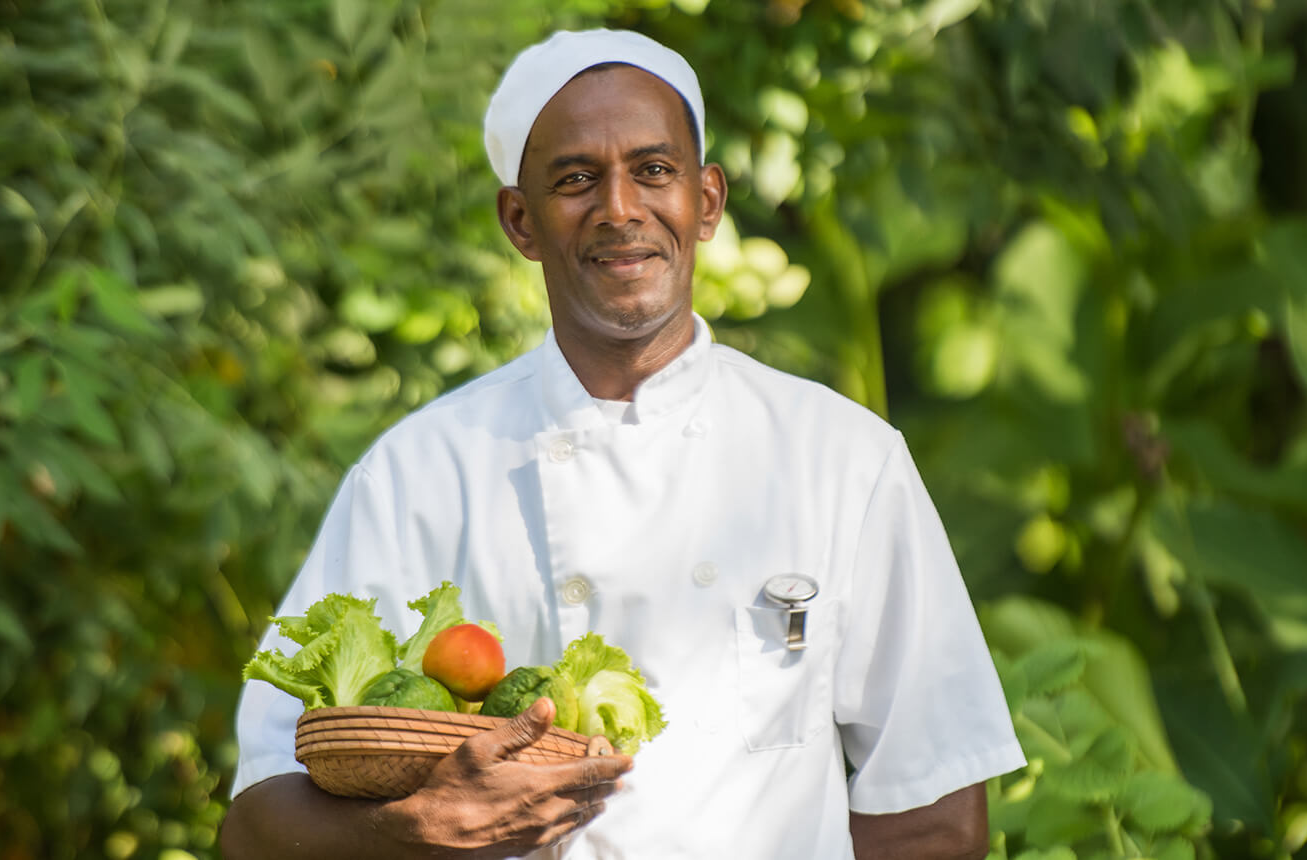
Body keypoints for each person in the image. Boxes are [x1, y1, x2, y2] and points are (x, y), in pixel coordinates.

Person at [219, 28, 1023, 860]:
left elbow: (931, 813)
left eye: (653, 170)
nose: (619, 209)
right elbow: (256, 821)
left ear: (706, 201)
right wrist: (411, 831)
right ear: (519, 221)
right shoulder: (419, 474)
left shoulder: (843, 461)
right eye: (575, 180)